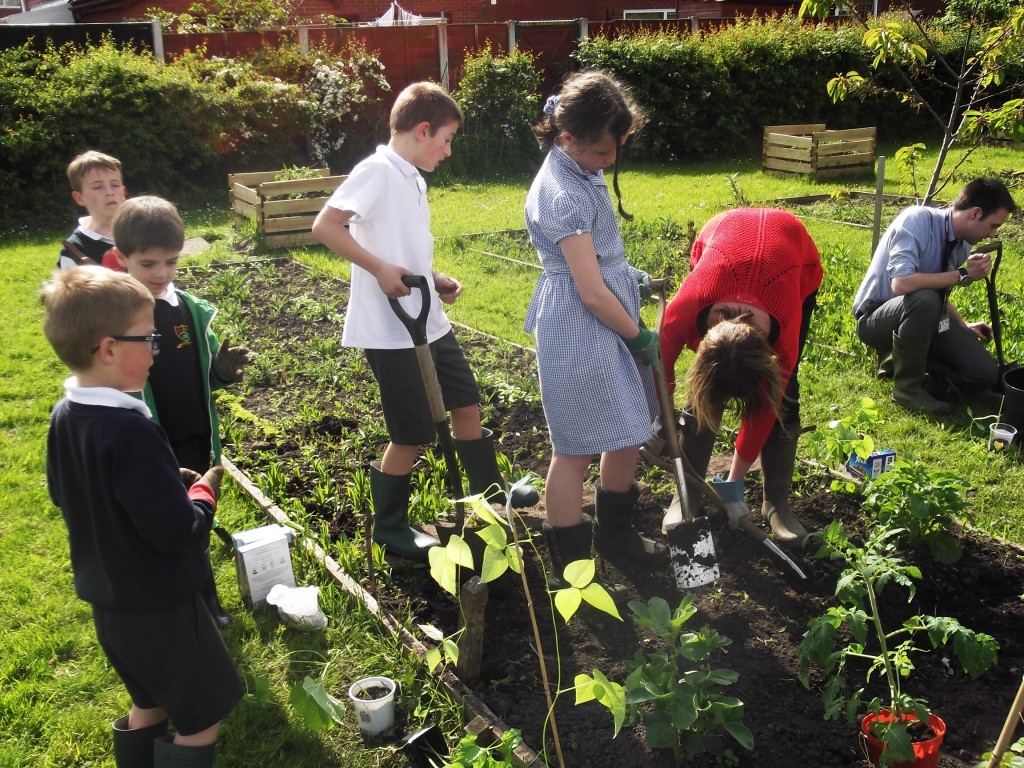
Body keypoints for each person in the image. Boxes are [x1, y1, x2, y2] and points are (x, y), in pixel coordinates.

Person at [312, 81, 537, 562]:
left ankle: (490, 496)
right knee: (410, 432)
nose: (449, 150)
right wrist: (379, 270)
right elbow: (324, 225)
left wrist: (431, 278)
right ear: (421, 129)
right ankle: (389, 528)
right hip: (390, 330)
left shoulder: (411, 175)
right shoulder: (377, 171)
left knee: (467, 406)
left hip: (427, 318)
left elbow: (400, 247)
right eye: (446, 139)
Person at [43, 266, 243, 768]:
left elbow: (65, 491)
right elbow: (177, 532)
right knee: (202, 717)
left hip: (111, 604)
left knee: (148, 699)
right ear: (110, 349)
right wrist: (201, 494)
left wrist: (155, 482)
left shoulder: (67, 414)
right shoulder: (131, 429)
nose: (157, 347)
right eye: (148, 337)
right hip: (162, 606)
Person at [523, 70, 666, 587]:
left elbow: (603, 265)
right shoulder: (561, 193)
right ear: (567, 138)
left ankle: (617, 536)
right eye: (604, 153)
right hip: (579, 325)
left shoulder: (584, 169)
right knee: (576, 446)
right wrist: (638, 336)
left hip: (608, 313)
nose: (611, 162)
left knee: (628, 426)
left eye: (616, 151)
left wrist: (635, 279)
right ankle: (573, 569)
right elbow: (589, 289)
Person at [113, 195, 249, 627]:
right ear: (122, 259)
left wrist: (222, 372)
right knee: (166, 529)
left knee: (197, 524)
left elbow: (198, 376)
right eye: (148, 264)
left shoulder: (186, 311)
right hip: (150, 441)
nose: (160, 274)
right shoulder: (116, 315)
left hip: (193, 435)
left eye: (170, 263)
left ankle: (205, 601)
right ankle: (180, 604)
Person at [660, 208, 823, 544]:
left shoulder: (784, 334)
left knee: (785, 391)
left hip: (794, 254)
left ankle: (775, 503)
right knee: (705, 392)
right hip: (721, 236)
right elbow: (658, 370)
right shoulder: (686, 307)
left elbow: (765, 410)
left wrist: (733, 486)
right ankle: (686, 496)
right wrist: (657, 420)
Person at [852, 177, 1016, 413]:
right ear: (976, 213)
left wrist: (962, 325)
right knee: (924, 299)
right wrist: (962, 274)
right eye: (993, 225)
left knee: (984, 373)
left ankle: (899, 362)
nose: (992, 235)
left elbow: (940, 292)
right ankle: (907, 389)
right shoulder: (917, 220)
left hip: (922, 317)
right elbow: (902, 283)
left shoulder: (963, 244)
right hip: (876, 320)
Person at [58, 150, 127, 271]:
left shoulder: (142, 231)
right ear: (79, 198)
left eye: (115, 185)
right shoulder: (75, 250)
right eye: (98, 187)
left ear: (122, 192)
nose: (109, 192)